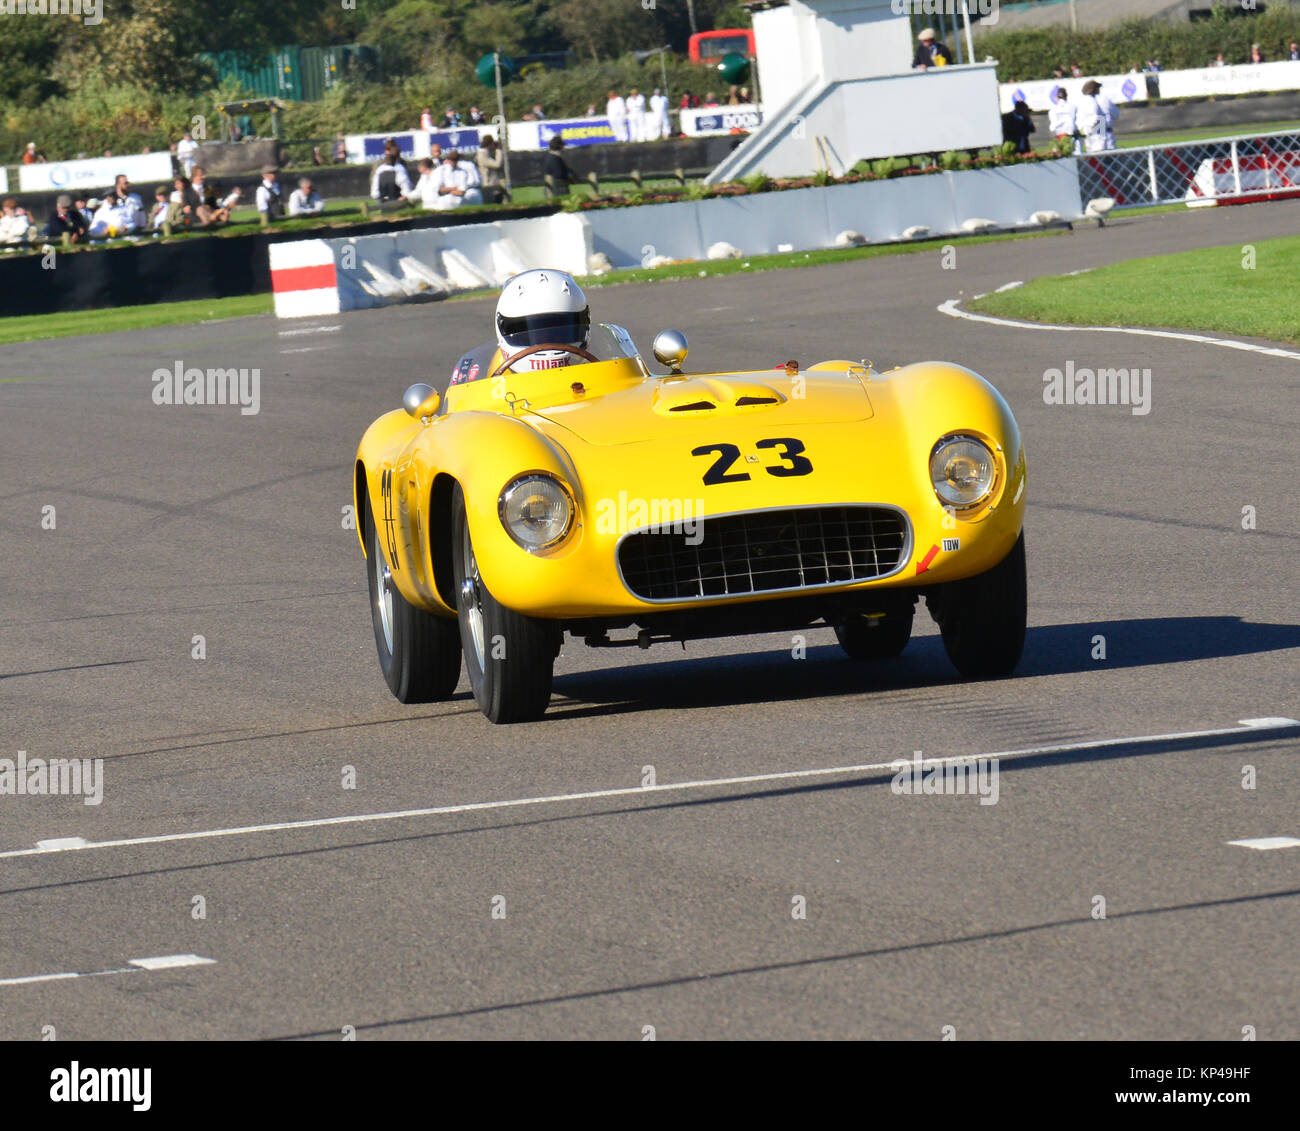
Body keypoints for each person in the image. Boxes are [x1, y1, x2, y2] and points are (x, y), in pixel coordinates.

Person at [449, 268, 592, 386]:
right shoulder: (484, 375)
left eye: (560, 331)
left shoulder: (604, 364)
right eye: (527, 332)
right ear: (503, 327)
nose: (547, 343)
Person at [1075, 82, 1107, 154]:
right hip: (1096, 132)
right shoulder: (1091, 101)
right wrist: (1087, 129)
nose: (1099, 90)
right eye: (1098, 88)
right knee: (1099, 153)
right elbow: (1095, 118)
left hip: (1094, 131)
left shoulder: (1087, 100)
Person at [475, 135, 506, 204]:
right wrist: (498, 150)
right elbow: (497, 164)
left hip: (493, 186)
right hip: (490, 188)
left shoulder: (485, 154)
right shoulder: (482, 155)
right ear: (490, 144)